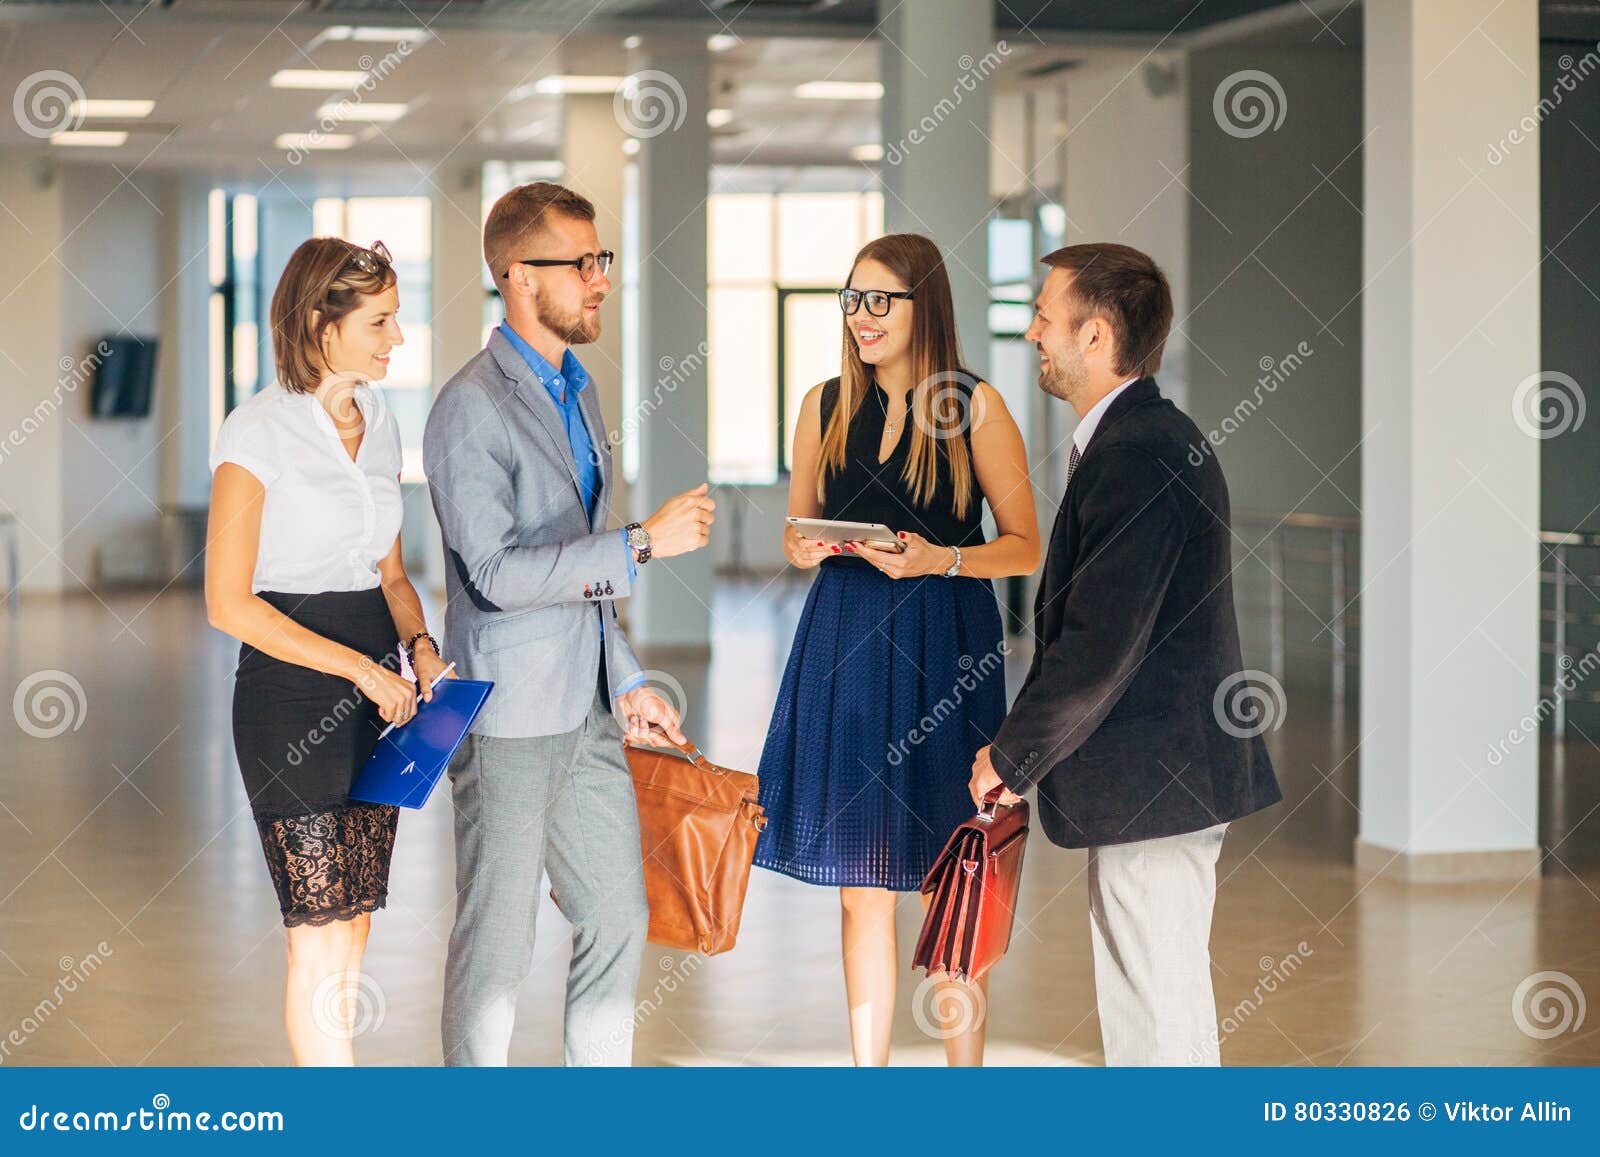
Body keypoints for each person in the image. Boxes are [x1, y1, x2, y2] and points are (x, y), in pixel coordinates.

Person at [969, 242, 1283, 1066]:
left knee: (1155, 1005)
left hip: (1156, 779)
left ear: (1097, 336)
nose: (1033, 331)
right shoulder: (1136, 439)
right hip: (1158, 780)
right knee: (1161, 989)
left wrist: (1011, 753)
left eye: (1045, 315)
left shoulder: (1136, 454)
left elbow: (1102, 644)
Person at [423, 181, 714, 1066]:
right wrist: (642, 542)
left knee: (618, 915)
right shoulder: (470, 406)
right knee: (499, 949)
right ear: (518, 276)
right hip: (507, 717)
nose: (599, 280)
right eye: (579, 264)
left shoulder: (579, 394)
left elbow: (581, 569)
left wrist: (625, 677)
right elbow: (497, 576)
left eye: (602, 260)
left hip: (587, 712)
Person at [755, 233, 1040, 1066]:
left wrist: (939, 557)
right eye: (851, 299)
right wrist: (801, 547)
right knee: (862, 885)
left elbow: (1024, 546)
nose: (862, 316)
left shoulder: (975, 407)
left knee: (956, 875)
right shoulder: (823, 405)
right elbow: (794, 524)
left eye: (882, 299)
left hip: (945, 646)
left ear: (928, 307)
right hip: (844, 643)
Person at [205, 237, 452, 1065]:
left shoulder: (381, 426)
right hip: (289, 701)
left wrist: (418, 645)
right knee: (314, 931)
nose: (397, 338)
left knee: (353, 925)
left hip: (383, 700)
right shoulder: (257, 432)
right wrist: (357, 668)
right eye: (379, 321)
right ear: (320, 322)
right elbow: (226, 601)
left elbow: (391, 574)